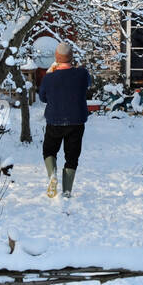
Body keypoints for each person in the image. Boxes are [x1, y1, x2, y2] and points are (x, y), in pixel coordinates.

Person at [38, 42, 92, 199]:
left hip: (54, 120)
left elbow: (42, 98)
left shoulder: (49, 78)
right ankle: (67, 191)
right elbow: (87, 85)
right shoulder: (82, 74)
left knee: (49, 151)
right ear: (72, 57)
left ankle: (52, 175)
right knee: (72, 156)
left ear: (56, 57)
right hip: (76, 121)